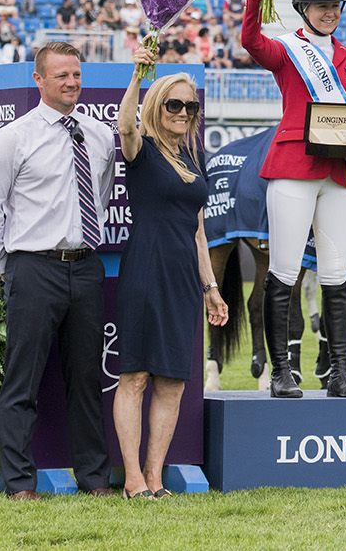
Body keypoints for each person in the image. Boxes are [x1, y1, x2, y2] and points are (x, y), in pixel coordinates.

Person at [0, 42, 115, 500]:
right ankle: (19, 484)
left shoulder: (99, 134)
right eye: (61, 76)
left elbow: (102, 193)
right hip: (33, 267)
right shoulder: (14, 136)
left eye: (75, 74)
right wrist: (7, 265)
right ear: (39, 80)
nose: (71, 82)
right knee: (23, 381)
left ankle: (93, 480)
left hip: (86, 267)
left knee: (88, 381)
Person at [242, 0, 346, 398]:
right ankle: (281, 371)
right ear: (303, 8)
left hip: (339, 173)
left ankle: (337, 371)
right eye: (322, 6)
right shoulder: (286, 50)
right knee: (283, 270)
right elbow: (251, 42)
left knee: (336, 276)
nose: (330, 12)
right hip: (294, 168)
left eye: (335, 5)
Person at [113, 48, 228, 500]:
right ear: (156, 107)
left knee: (174, 381)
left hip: (183, 277)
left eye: (190, 106)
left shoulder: (193, 159)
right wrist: (139, 75)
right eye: (173, 105)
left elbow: (198, 234)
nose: (183, 113)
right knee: (136, 377)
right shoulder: (140, 148)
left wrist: (212, 289)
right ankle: (132, 479)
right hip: (145, 269)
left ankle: (156, 477)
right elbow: (124, 125)